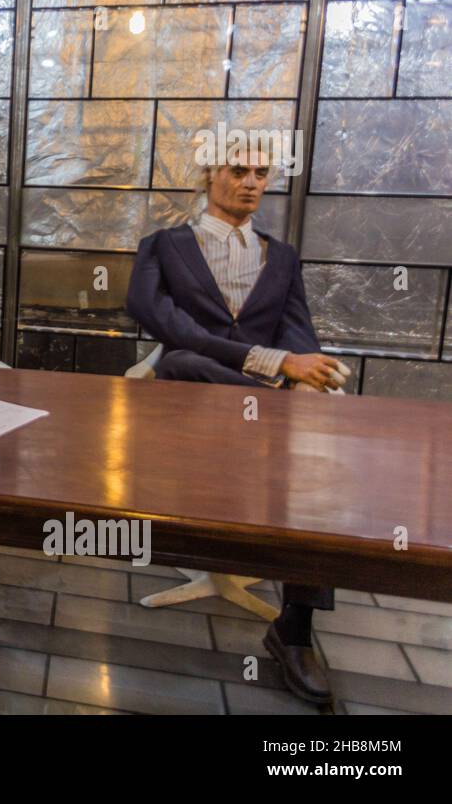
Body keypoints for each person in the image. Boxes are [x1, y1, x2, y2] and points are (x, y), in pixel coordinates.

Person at [125, 147, 348, 706]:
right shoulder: (163, 246)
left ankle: (294, 632)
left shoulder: (282, 256)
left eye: (260, 173)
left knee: (311, 477)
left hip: (262, 417)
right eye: (236, 170)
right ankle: (287, 420)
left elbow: (298, 335)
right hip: (191, 402)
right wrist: (271, 366)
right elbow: (161, 321)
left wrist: (306, 377)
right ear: (209, 175)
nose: (250, 182)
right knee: (181, 361)